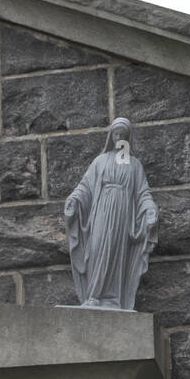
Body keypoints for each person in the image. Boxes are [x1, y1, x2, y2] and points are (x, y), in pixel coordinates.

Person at [64, 117, 158, 311]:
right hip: (102, 211)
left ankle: (113, 299)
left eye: (123, 136)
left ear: (128, 139)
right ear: (111, 136)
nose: (119, 138)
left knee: (116, 254)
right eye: (116, 134)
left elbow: (143, 193)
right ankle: (94, 295)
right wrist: (74, 199)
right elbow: (85, 187)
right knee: (98, 249)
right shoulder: (100, 161)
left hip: (123, 214)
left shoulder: (134, 165)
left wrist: (149, 210)